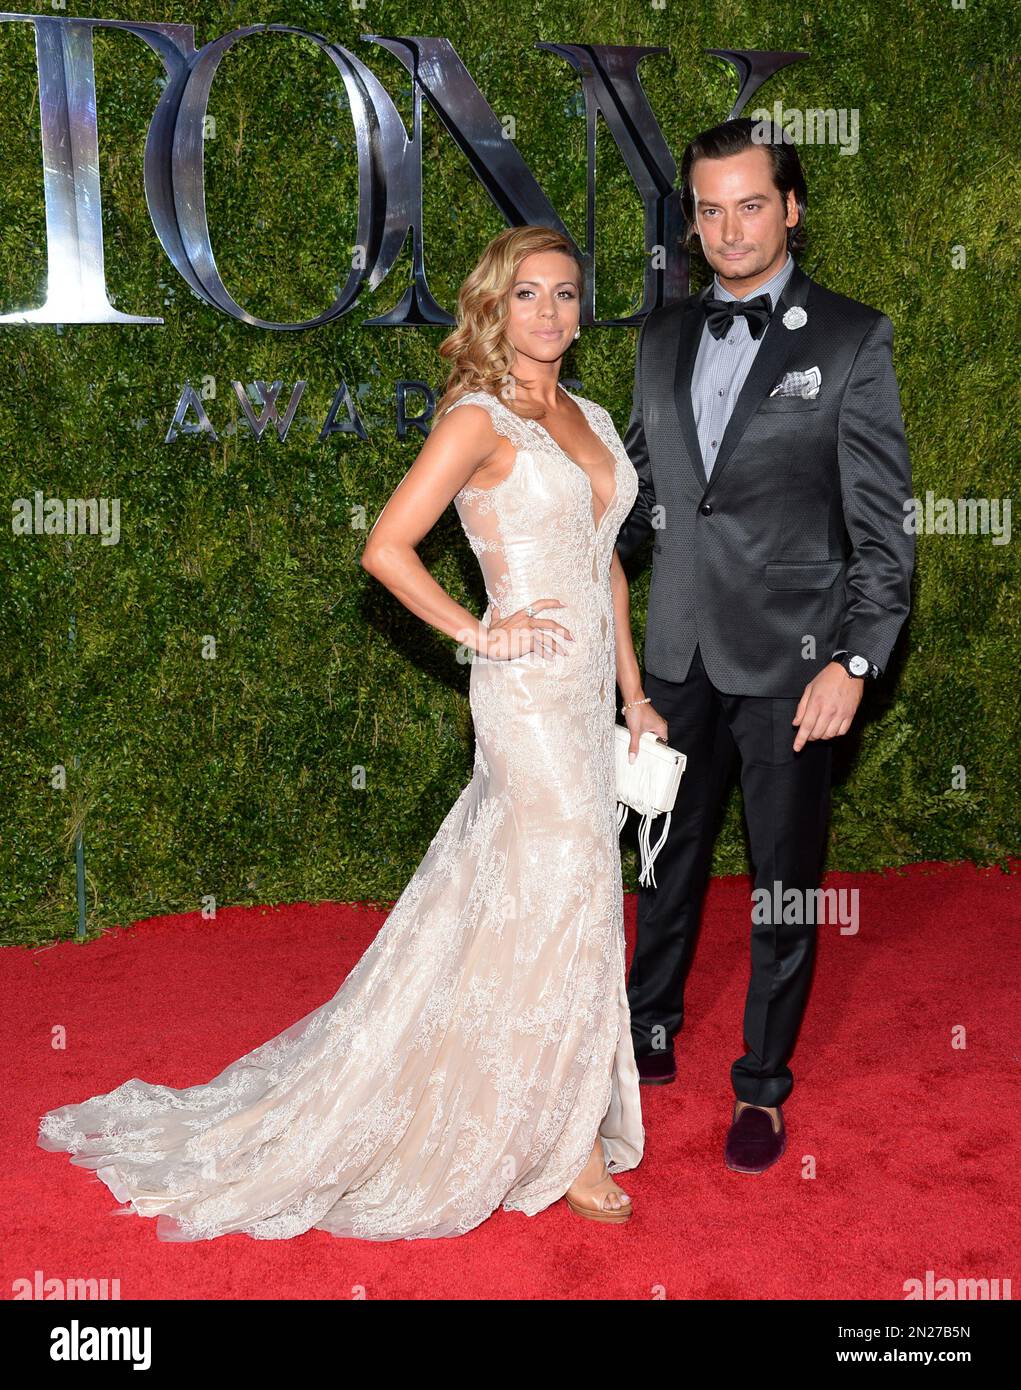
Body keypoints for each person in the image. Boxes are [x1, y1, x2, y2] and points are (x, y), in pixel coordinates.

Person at [37, 225, 665, 1239]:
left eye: (563, 295)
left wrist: (634, 694)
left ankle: (552, 1104)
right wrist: (479, 629)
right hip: (525, 699)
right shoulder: (475, 418)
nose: (549, 312)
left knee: (562, 895)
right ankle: (570, 1141)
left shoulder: (587, 413)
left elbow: (603, 562)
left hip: (592, 698)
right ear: (493, 308)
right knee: (565, 894)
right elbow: (386, 545)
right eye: (527, 296)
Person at [614, 118, 914, 1173]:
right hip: (673, 652)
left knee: (784, 880)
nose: (730, 228)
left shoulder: (849, 338)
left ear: (790, 209)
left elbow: (883, 531)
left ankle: (762, 1085)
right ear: (689, 221)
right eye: (708, 208)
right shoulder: (655, 340)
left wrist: (856, 660)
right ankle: (644, 1029)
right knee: (659, 858)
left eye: (751, 204)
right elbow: (641, 500)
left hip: (794, 664)